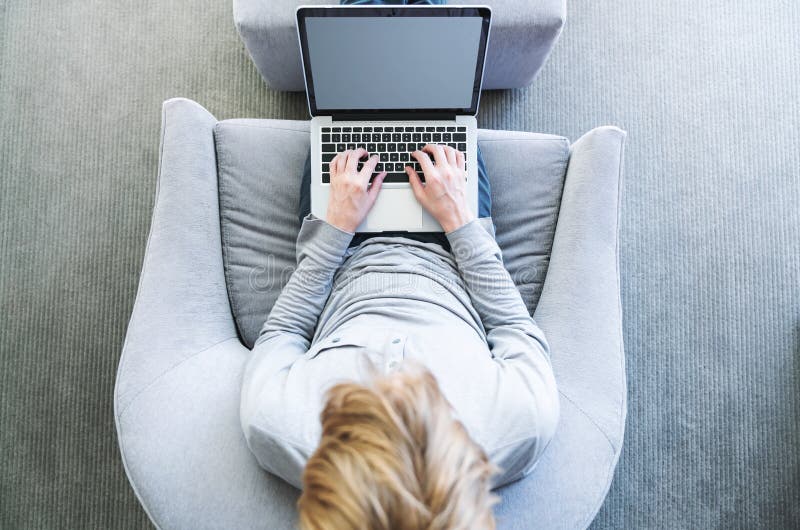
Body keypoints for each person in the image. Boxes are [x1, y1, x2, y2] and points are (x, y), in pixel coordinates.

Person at [240, 145, 560, 529]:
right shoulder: (523, 422)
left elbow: (284, 331)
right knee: (445, 112)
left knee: (340, 111)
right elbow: (512, 327)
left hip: (344, 247)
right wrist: (459, 220)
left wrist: (336, 228)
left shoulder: (276, 424)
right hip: (453, 246)